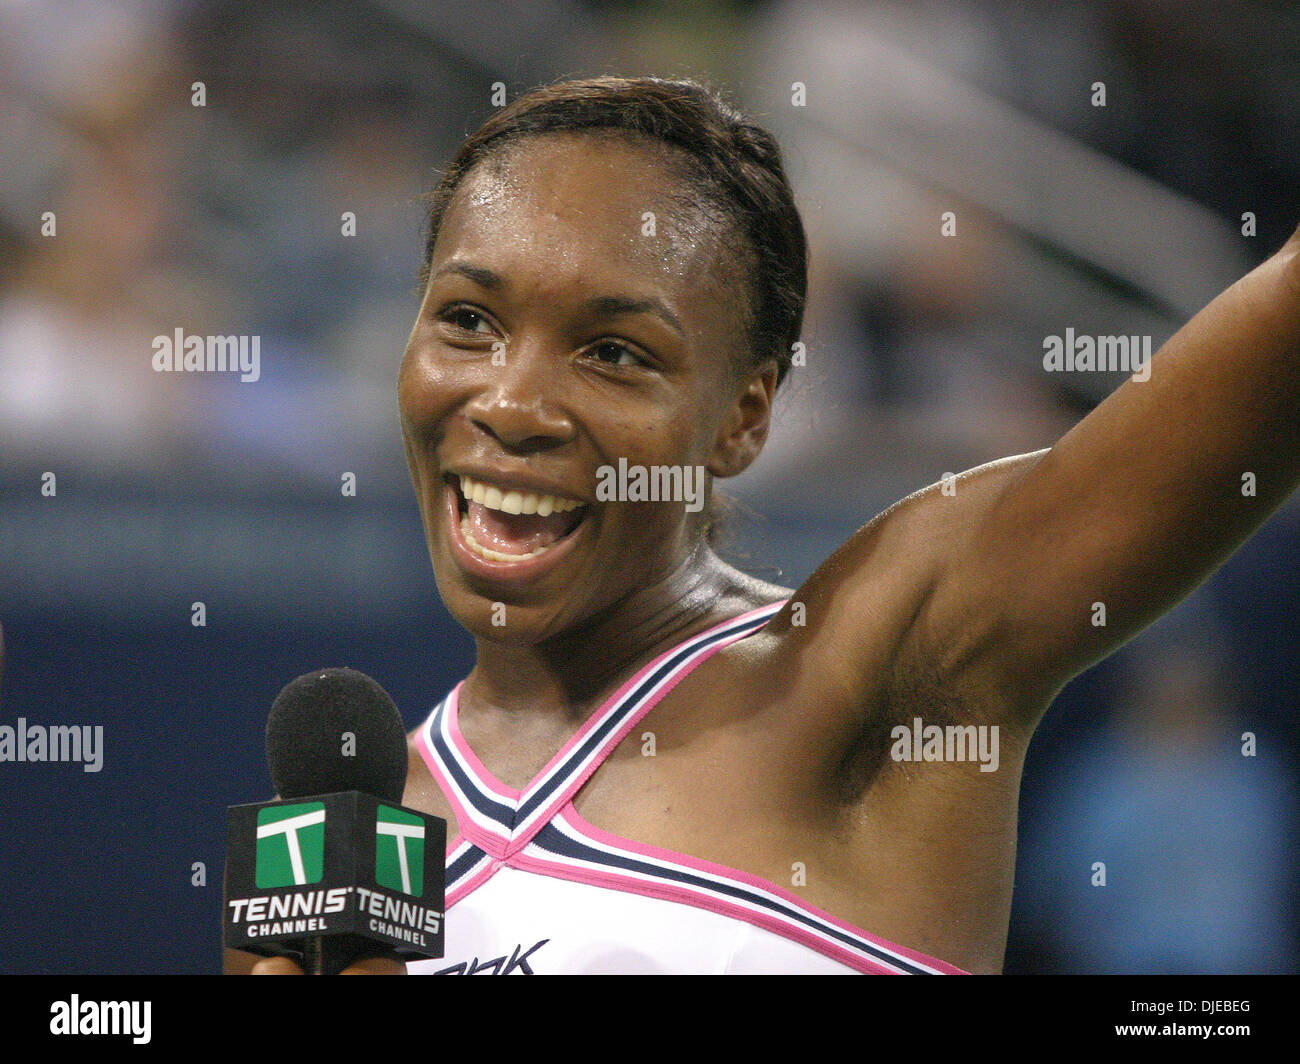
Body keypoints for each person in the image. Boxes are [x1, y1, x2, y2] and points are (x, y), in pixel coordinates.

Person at [235, 75, 1300, 974]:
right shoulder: (346, 829)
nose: (510, 405)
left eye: (614, 351)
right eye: (468, 320)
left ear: (743, 414)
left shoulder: (876, 670)